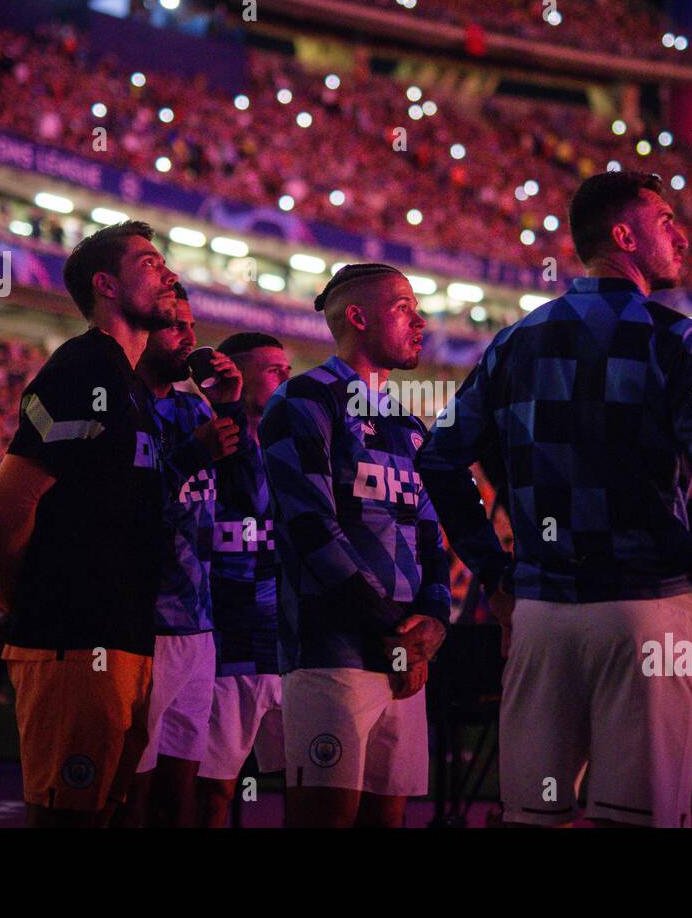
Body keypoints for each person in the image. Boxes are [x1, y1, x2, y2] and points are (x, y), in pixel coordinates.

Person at [417, 171, 692, 828]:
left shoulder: (516, 340)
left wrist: (494, 574)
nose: (683, 237)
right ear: (623, 235)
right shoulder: (681, 339)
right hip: (645, 611)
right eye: (666, 220)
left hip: (540, 617)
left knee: (533, 820)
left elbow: (439, 457)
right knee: (636, 819)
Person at [0, 220, 175, 828]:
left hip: (123, 636)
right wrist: (14, 601)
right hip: (74, 638)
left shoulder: (129, 383)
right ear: (106, 284)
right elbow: (6, 506)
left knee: (106, 812)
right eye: (150, 263)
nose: (169, 275)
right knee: (67, 817)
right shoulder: (85, 367)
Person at [260, 263, 451, 828]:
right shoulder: (303, 400)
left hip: (403, 656)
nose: (420, 321)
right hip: (331, 652)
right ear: (358, 318)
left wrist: (434, 620)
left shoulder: (411, 427)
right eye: (403, 308)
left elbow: (432, 536)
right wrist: (395, 635)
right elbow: (311, 529)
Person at [125, 291, 246, 827]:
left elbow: (245, 494)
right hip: (143, 623)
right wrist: (194, 452)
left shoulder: (192, 406)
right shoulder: (123, 404)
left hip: (199, 623)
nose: (190, 339)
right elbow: (124, 504)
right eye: (175, 327)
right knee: (128, 795)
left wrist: (229, 407)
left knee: (179, 801)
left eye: (192, 327)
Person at [196, 332, 292, 827]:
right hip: (223, 644)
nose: (286, 376)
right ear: (233, 374)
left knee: (316, 788)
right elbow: (253, 498)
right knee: (210, 792)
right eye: (274, 367)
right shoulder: (200, 435)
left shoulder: (299, 445)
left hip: (290, 645)